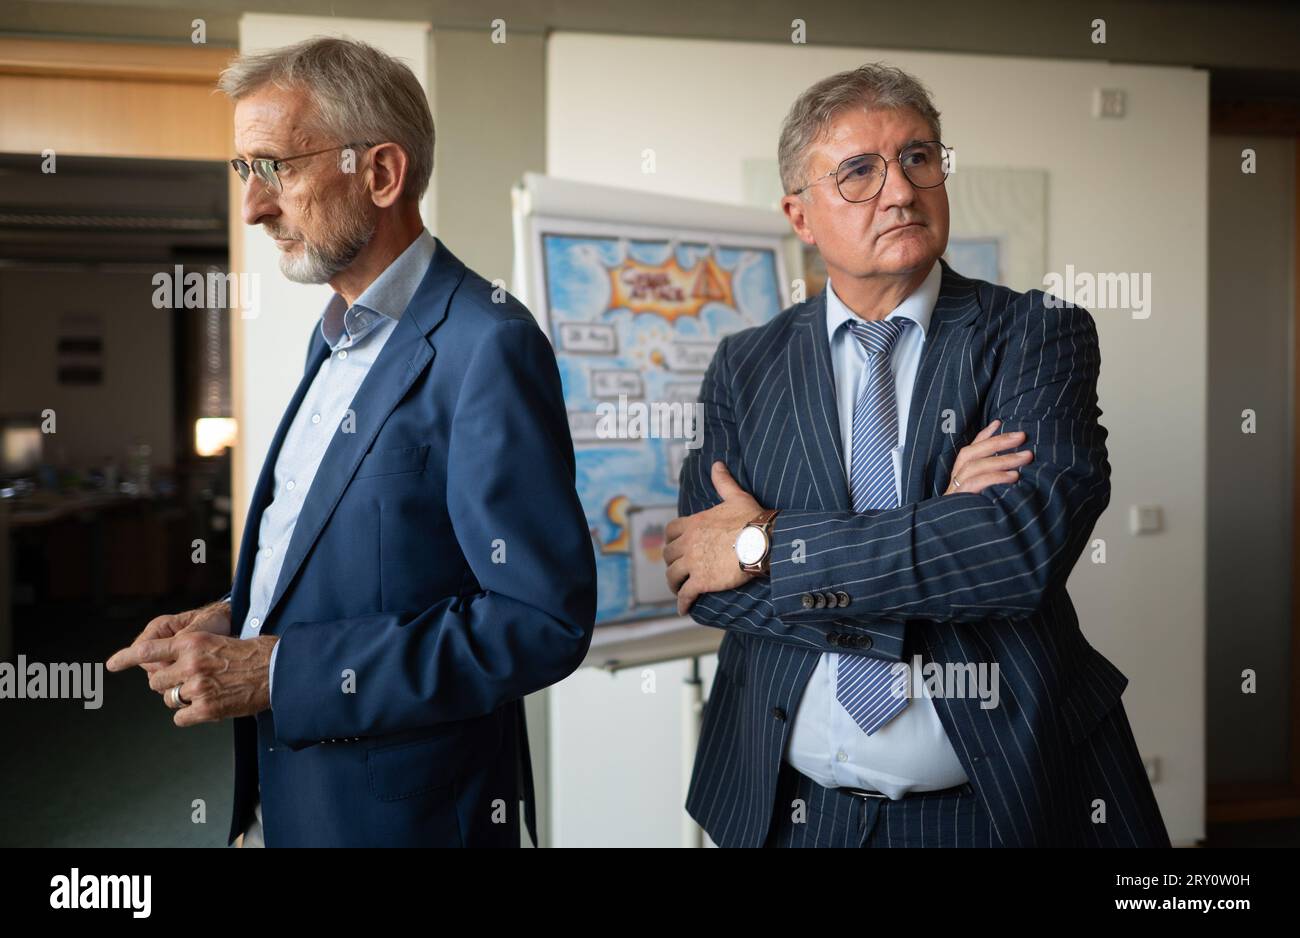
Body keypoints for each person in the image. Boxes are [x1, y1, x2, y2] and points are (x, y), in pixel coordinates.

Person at [663, 63, 1170, 848]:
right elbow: (704, 577)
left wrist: (764, 543)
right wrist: (939, 531)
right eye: (859, 172)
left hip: (991, 804)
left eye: (919, 158)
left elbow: (1015, 552)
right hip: (793, 811)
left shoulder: (1035, 334)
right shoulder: (744, 364)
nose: (899, 190)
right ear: (800, 214)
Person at [107, 37, 596, 848]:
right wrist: (237, 618)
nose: (253, 209)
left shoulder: (488, 345)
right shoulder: (334, 335)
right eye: (244, 171)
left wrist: (276, 671)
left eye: (276, 169)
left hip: (406, 821)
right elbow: (368, 561)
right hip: (285, 798)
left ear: (380, 174)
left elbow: (539, 620)